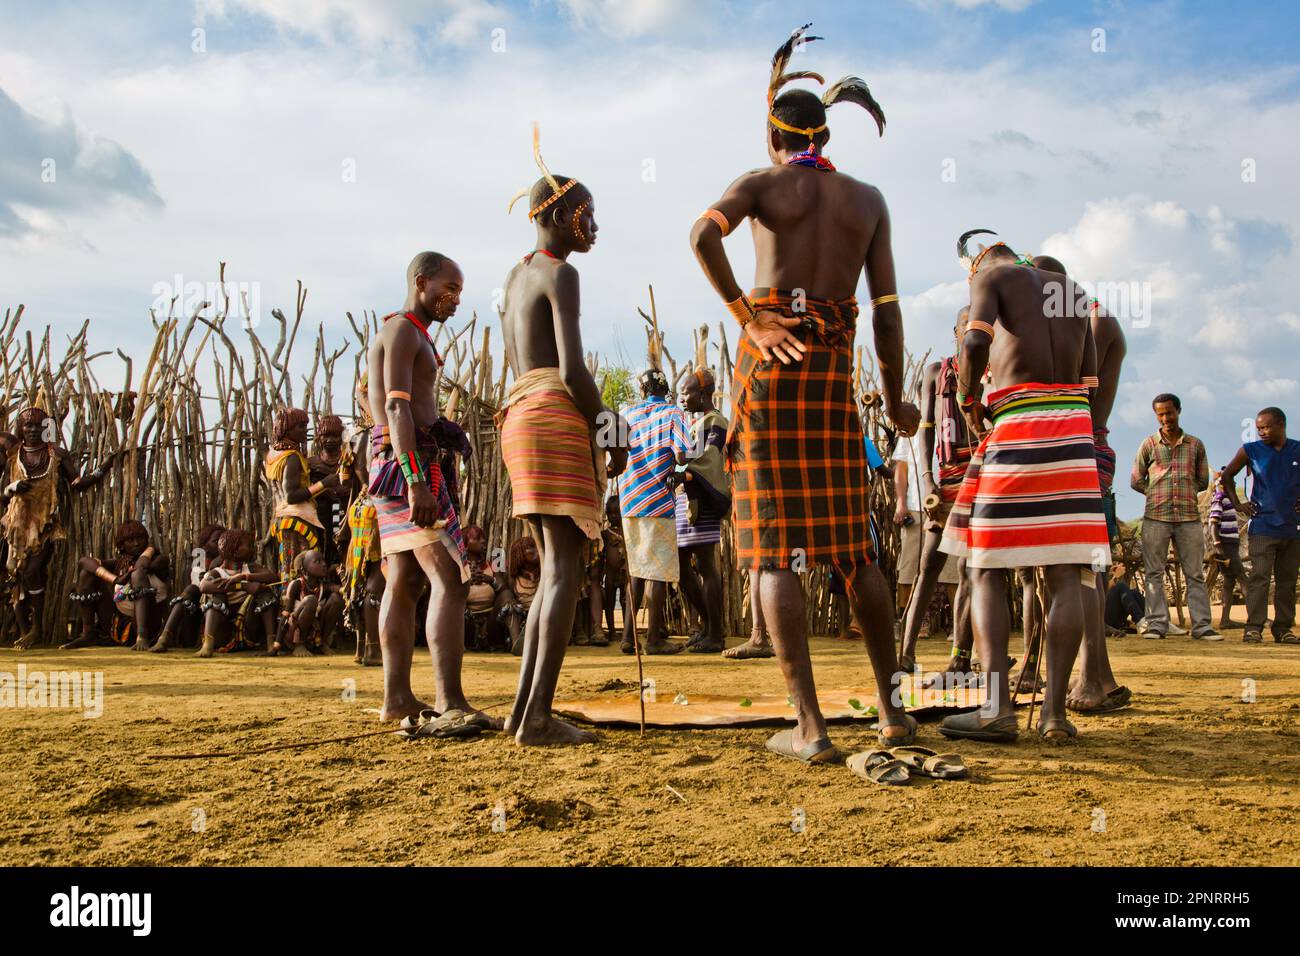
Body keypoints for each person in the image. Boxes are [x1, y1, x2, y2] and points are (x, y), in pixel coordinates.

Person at [689, 25, 920, 763]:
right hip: (829, 377)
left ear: (773, 135)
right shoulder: (867, 199)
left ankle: (812, 728)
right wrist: (896, 398)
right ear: (824, 133)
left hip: (769, 374)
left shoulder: (760, 186)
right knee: (857, 552)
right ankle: (892, 715)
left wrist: (747, 314)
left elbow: (701, 235)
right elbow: (886, 311)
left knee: (770, 556)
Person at [936, 231, 1110, 743]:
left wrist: (969, 400)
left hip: (1017, 427)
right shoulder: (1072, 289)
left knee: (985, 565)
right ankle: (1054, 716)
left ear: (975, 267)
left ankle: (997, 710)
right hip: (1075, 434)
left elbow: (973, 342)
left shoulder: (991, 279)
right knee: (1065, 572)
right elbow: (1092, 379)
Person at [499, 141, 628, 746]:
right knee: (564, 575)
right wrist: (611, 427)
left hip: (520, 415)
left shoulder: (516, 275)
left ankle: (523, 711)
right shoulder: (562, 274)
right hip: (553, 410)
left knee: (554, 570)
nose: (595, 226)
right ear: (551, 216)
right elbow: (574, 370)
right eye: (585, 214)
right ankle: (538, 718)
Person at [367, 251, 494, 730]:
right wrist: (416, 477)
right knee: (452, 578)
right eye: (449, 289)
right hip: (407, 469)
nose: (456, 300)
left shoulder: (407, 333)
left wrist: (441, 427)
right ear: (421, 282)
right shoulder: (401, 330)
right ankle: (450, 702)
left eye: (461, 292)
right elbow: (396, 406)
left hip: (400, 461)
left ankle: (397, 699)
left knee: (405, 581)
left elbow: (395, 404)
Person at [1031, 255, 1134, 712]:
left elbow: (1075, 391)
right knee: (1064, 567)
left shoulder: (1094, 318)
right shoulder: (1080, 317)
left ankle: (1093, 677)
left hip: (1082, 448)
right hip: (1074, 447)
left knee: (1080, 566)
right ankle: (1092, 674)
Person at [895, 309, 973, 676]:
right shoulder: (937, 373)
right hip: (947, 480)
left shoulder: (995, 372)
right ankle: (905, 652)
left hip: (986, 478)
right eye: (966, 328)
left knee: (972, 569)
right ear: (955, 331)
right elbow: (925, 430)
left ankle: (961, 655)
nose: (971, 335)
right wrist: (927, 480)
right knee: (929, 565)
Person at [0, 406, 113, 648]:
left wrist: (103, 468)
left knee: (32, 572)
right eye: (27, 425)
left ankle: (38, 627)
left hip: (44, 524)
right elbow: (3, 493)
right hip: (16, 524)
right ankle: (24, 630)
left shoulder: (56, 455)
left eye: (37, 425)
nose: (31, 430)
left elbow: (76, 483)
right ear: (20, 428)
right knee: (16, 575)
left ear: (46, 428)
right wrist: (12, 488)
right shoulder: (13, 455)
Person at [1130, 393, 1219, 640]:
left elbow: (1202, 481)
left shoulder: (1195, 445)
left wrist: (1183, 492)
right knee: (1154, 573)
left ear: (1178, 411)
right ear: (1156, 415)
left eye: (1170, 412)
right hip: (1156, 517)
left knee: (1195, 573)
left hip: (1189, 517)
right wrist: (1156, 492)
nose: (1166, 418)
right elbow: (1136, 480)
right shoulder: (1148, 444)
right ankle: (1157, 625)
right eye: (1161, 414)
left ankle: (1202, 626)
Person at [618, 368, 691, 656]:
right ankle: (653, 640)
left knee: (636, 571)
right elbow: (684, 453)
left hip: (629, 499)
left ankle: (627, 638)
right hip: (659, 500)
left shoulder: (626, 414)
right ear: (666, 390)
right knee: (658, 572)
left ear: (642, 390)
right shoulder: (674, 414)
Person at [1219, 407, 1300, 644]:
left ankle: (1283, 629)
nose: (1262, 432)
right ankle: (1253, 627)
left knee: (1287, 581)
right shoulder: (1251, 450)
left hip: (1293, 528)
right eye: (1258, 428)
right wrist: (1237, 503)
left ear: (1281, 425)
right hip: (1263, 526)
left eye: (1266, 427)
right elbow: (1227, 476)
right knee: (1260, 577)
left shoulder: (1297, 449)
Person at [676, 369, 731, 654]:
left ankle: (715, 635)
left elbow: (711, 456)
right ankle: (710, 627)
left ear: (703, 394)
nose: (682, 399)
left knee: (706, 567)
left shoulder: (716, 421)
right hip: (690, 500)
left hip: (704, 501)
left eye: (686, 393)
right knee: (682, 568)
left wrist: (684, 472)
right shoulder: (698, 423)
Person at [67, 520, 169, 650]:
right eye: (130, 540)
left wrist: (151, 549)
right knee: (86, 575)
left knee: (137, 575)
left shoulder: (158, 560)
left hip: (149, 623)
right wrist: (116, 580)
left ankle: (142, 637)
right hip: (119, 624)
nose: (136, 543)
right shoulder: (119, 563)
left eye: (140, 538)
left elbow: (140, 566)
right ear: (121, 545)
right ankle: (88, 633)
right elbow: (83, 562)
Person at [338, 376, 383, 666]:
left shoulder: (353, 438)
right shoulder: (386, 431)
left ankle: (360, 647)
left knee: (358, 578)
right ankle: (374, 648)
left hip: (359, 509)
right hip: (381, 508)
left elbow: (345, 483)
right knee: (377, 581)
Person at [265, 407, 339, 580]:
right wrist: (324, 484)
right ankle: (302, 601)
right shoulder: (291, 457)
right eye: (301, 426)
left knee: (289, 566)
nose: (306, 430)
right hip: (297, 518)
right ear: (287, 429)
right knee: (304, 568)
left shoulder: (273, 455)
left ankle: (291, 600)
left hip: (283, 518)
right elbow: (291, 496)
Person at [195, 528, 281, 657]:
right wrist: (242, 587)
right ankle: (208, 645)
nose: (252, 549)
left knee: (264, 592)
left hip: (247, 632)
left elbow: (273, 577)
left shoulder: (249, 568)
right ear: (234, 548)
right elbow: (204, 586)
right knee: (218, 595)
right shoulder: (217, 572)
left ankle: (271, 644)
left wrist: (244, 577)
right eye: (249, 546)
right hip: (224, 634)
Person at [150, 523, 226, 652]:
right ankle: (164, 637)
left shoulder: (230, 559)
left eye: (222, 541)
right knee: (191, 590)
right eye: (215, 541)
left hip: (221, 608)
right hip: (197, 612)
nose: (219, 544)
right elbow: (199, 586)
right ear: (204, 544)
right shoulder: (199, 560)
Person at [281, 548, 344, 656]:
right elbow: (285, 616)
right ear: (303, 568)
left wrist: (340, 573)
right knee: (311, 600)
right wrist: (276, 645)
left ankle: (322, 644)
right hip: (293, 634)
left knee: (337, 599)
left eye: (324, 561)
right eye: (317, 562)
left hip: (315, 635)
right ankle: (299, 645)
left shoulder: (322, 586)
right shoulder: (296, 585)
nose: (324, 564)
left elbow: (342, 589)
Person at [1207, 470, 1247, 631]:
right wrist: (1218, 547)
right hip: (1226, 546)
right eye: (1232, 483)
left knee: (1229, 582)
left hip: (1229, 546)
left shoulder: (1225, 499)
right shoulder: (1219, 499)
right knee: (1244, 579)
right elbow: (1213, 524)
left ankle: (1225, 620)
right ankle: (1257, 618)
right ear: (1224, 485)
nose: (1235, 485)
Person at [309, 413, 350, 564]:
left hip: (346, 515)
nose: (329, 440)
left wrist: (346, 490)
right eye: (325, 436)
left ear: (341, 436)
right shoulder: (311, 464)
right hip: (319, 518)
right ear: (318, 437)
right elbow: (304, 491)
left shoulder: (349, 461)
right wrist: (324, 490)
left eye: (334, 436)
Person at [598, 496, 629, 645]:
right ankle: (611, 631)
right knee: (610, 603)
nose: (614, 516)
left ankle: (626, 631)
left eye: (617, 512)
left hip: (625, 573)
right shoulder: (605, 534)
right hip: (610, 573)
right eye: (610, 513)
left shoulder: (628, 531)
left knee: (625, 601)